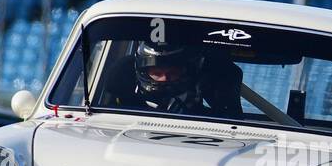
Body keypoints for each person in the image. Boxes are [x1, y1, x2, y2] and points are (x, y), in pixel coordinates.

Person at [101, 42, 243, 118]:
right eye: (157, 73)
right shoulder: (112, 109)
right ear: (142, 72)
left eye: (172, 73)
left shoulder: (214, 118)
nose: (165, 79)